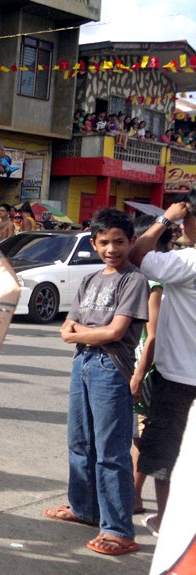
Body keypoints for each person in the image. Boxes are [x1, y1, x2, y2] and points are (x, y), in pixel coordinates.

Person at [45, 207, 148, 556]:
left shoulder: (133, 280)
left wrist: (81, 335)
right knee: (79, 442)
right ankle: (84, 509)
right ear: (93, 243)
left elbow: (117, 332)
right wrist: (89, 335)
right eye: (104, 242)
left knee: (111, 452)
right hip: (84, 364)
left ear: (131, 242)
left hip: (111, 368)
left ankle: (118, 528)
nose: (112, 249)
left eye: (119, 242)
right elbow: (66, 327)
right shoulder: (90, 280)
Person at [129, 192, 196, 538]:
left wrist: (164, 218)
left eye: (188, 218)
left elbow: (137, 254)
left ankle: (168, 522)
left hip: (181, 378)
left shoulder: (189, 262)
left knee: (166, 454)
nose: (183, 224)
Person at [128, 215, 170, 517]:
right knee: (139, 437)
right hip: (143, 366)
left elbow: (152, 336)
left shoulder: (155, 283)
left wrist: (139, 374)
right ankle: (134, 496)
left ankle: (135, 497)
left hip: (151, 371)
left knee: (144, 437)